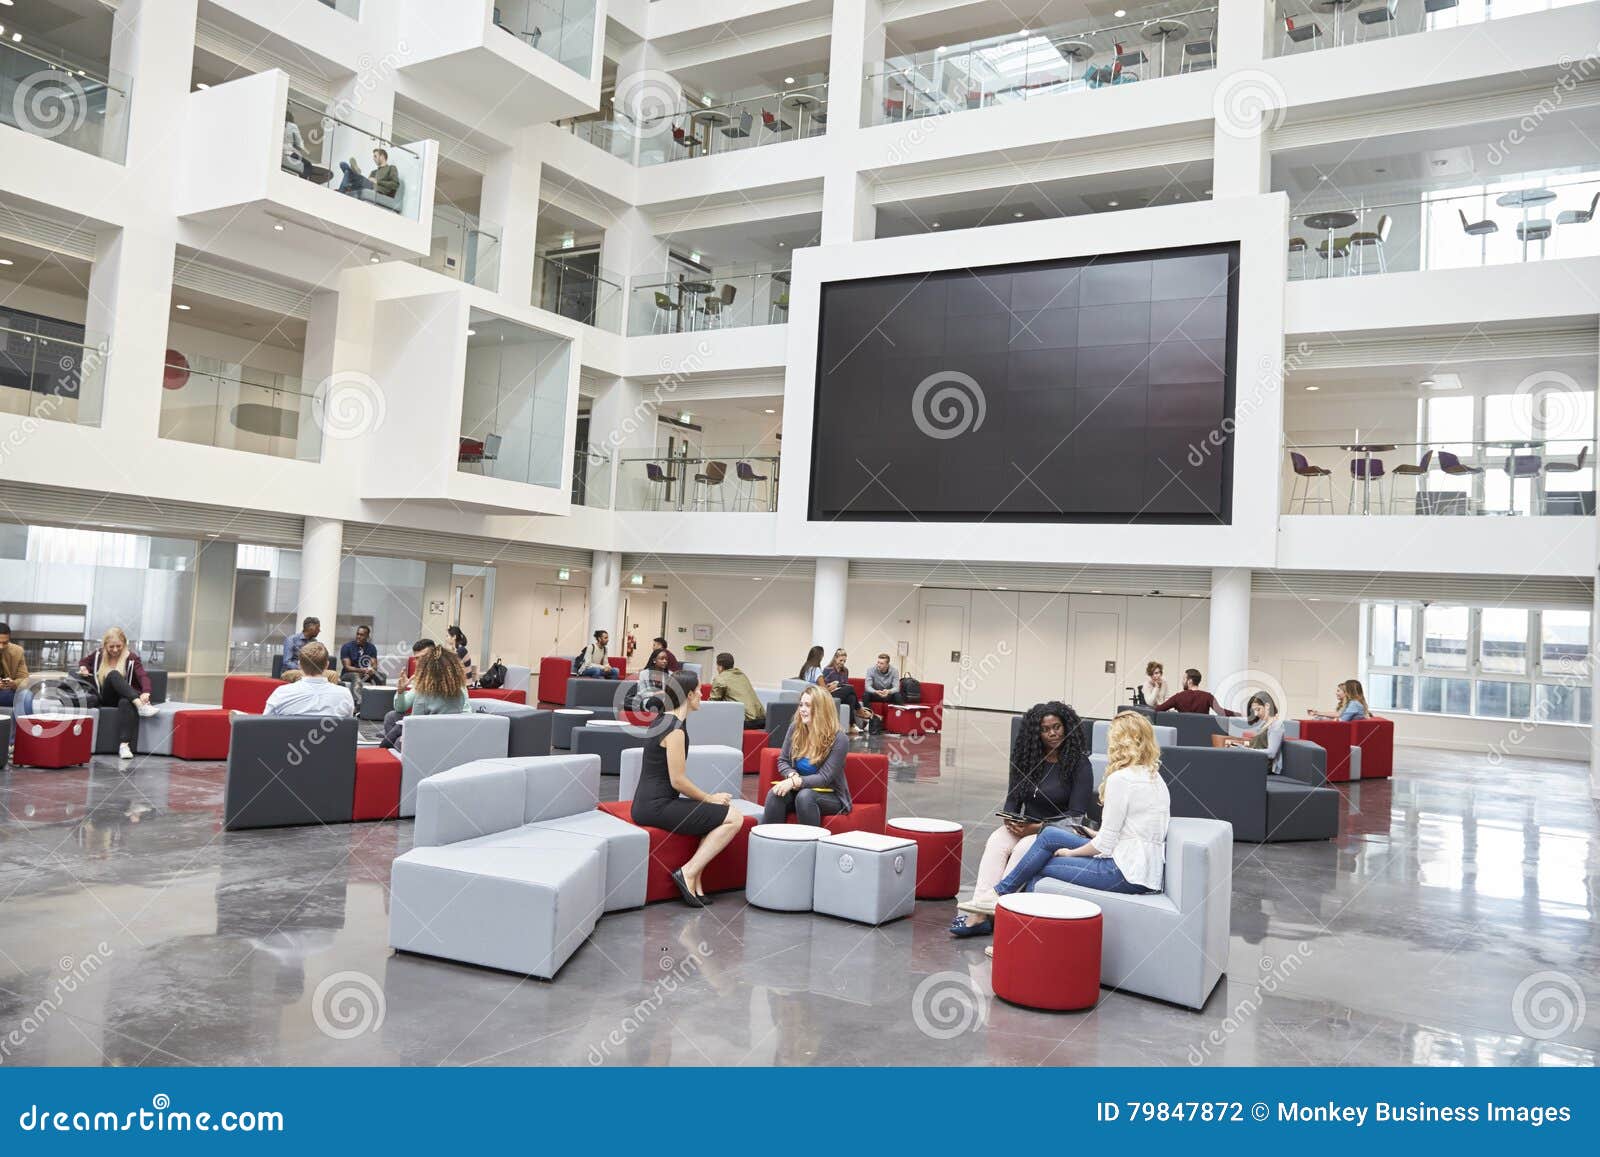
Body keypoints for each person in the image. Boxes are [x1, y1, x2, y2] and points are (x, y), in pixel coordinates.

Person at [982, 711, 1171, 902]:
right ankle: (998, 897)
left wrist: (1071, 853)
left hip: (1122, 872)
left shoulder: (1120, 780)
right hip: (1146, 871)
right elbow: (1128, 835)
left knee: (1035, 863)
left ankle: (996, 898)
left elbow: (1104, 845)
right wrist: (1093, 833)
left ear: (1119, 743)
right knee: (1049, 835)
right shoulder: (1155, 777)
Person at [950, 701, 1093, 938]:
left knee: (1024, 848)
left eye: (1057, 727)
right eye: (1046, 730)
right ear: (1036, 733)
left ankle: (998, 911)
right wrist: (1010, 820)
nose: (1052, 733)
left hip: (1055, 832)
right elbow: (1013, 800)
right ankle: (979, 909)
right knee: (997, 840)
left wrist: (1037, 829)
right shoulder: (1027, 758)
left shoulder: (1079, 763)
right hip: (1026, 824)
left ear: (1066, 727)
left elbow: (1075, 817)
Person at [629, 671, 744, 907]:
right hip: (656, 807)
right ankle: (688, 872)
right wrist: (710, 798)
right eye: (699, 691)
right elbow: (678, 781)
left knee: (713, 817)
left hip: (647, 804)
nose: (703, 695)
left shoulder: (664, 719)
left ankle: (696, 880)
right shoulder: (675, 729)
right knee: (734, 817)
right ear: (689, 695)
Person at [765, 684, 851, 827]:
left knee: (805, 797)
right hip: (799, 790)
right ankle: (769, 843)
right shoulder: (795, 728)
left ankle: (808, 846)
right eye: (801, 705)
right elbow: (783, 761)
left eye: (808, 705)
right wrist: (792, 775)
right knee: (775, 794)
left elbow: (825, 777)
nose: (802, 710)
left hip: (830, 795)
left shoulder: (839, 738)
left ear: (821, 709)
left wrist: (794, 782)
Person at [76, 627, 158, 760]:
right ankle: (140, 705)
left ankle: (124, 746)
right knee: (114, 674)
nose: (115, 650)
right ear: (105, 645)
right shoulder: (98, 654)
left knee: (126, 701)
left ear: (124, 644)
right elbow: (84, 661)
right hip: (106, 697)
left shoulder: (131, 658)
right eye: (111, 647)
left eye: (118, 646)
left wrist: (146, 692)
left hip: (125, 696)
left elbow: (143, 676)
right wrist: (83, 667)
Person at [382, 645, 471, 749]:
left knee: (397, 738)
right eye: (416, 658)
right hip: (450, 734)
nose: (417, 662)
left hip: (426, 736)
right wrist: (401, 691)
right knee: (393, 717)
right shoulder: (458, 691)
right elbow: (401, 708)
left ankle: (386, 748)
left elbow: (415, 723)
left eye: (421, 658)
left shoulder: (424, 693)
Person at [265, 642, 355, 717]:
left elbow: (265, 725)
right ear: (327, 665)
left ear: (299, 665)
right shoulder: (345, 695)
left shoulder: (280, 693)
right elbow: (347, 726)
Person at [1223, 692, 1285, 774]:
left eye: (1258, 709)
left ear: (1267, 706)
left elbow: (1271, 753)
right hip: (1255, 761)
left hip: (1262, 765)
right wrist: (1241, 747)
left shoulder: (1276, 725)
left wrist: (1246, 750)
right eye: (1254, 711)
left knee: (1225, 765)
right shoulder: (1263, 724)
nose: (1256, 714)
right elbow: (1258, 746)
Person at [821, 648, 872, 732]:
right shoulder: (827, 670)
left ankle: (852, 724)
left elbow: (845, 685)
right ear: (835, 658)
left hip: (842, 694)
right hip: (830, 694)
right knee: (850, 688)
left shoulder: (845, 671)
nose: (842, 663)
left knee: (851, 697)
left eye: (844, 661)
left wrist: (840, 685)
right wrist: (834, 685)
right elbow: (824, 688)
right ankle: (859, 710)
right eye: (841, 660)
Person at [709, 652, 764, 729]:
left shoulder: (720, 679)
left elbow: (712, 704)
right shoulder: (742, 675)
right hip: (762, 719)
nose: (717, 668)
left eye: (717, 666)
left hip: (746, 721)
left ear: (720, 667)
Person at [1152, 668, 1237, 716]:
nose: (1182, 681)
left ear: (1190, 681)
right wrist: (1240, 715)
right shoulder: (1207, 697)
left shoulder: (1178, 697)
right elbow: (1221, 712)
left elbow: (1159, 709)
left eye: (1184, 679)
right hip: (1202, 734)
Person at [339, 625, 385, 705]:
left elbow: (374, 665)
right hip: (348, 674)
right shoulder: (347, 647)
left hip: (365, 674)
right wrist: (362, 670)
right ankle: (357, 705)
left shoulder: (371, 647)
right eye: (357, 634)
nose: (358, 636)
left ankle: (379, 703)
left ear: (367, 636)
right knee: (356, 676)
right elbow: (347, 667)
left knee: (381, 676)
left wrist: (372, 670)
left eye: (361, 635)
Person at [0, 621, 27, 709]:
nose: (1, 646)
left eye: (5, 643)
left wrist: (13, 683)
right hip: (6, 693)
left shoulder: (18, 651)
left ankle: (24, 723)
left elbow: (24, 679)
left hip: (9, 690)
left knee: (26, 696)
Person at [282, 113, 312, 178]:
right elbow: (300, 145)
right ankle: (303, 181)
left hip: (279, 152)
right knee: (308, 164)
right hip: (288, 152)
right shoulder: (292, 126)